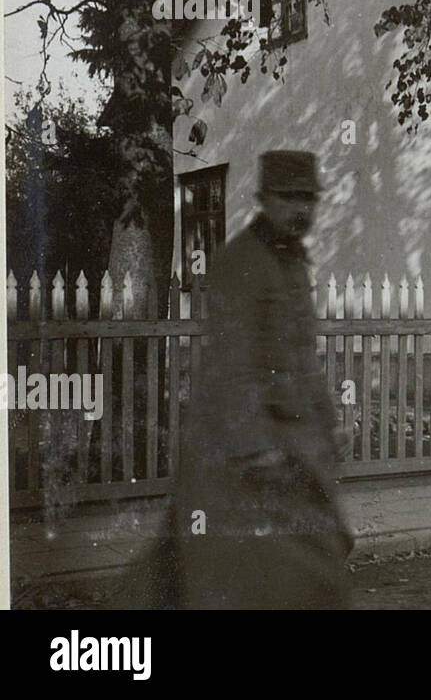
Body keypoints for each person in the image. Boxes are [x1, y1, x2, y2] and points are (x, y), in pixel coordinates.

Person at [141, 150, 353, 609]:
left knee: (309, 563)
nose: (301, 209)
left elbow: (302, 354)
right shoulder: (240, 262)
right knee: (230, 574)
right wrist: (256, 447)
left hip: (290, 441)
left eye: (308, 198)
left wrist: (328, 420)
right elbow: (231, 365)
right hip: (238, 451)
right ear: (262, 199)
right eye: (288, 197)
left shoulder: (294, 262)